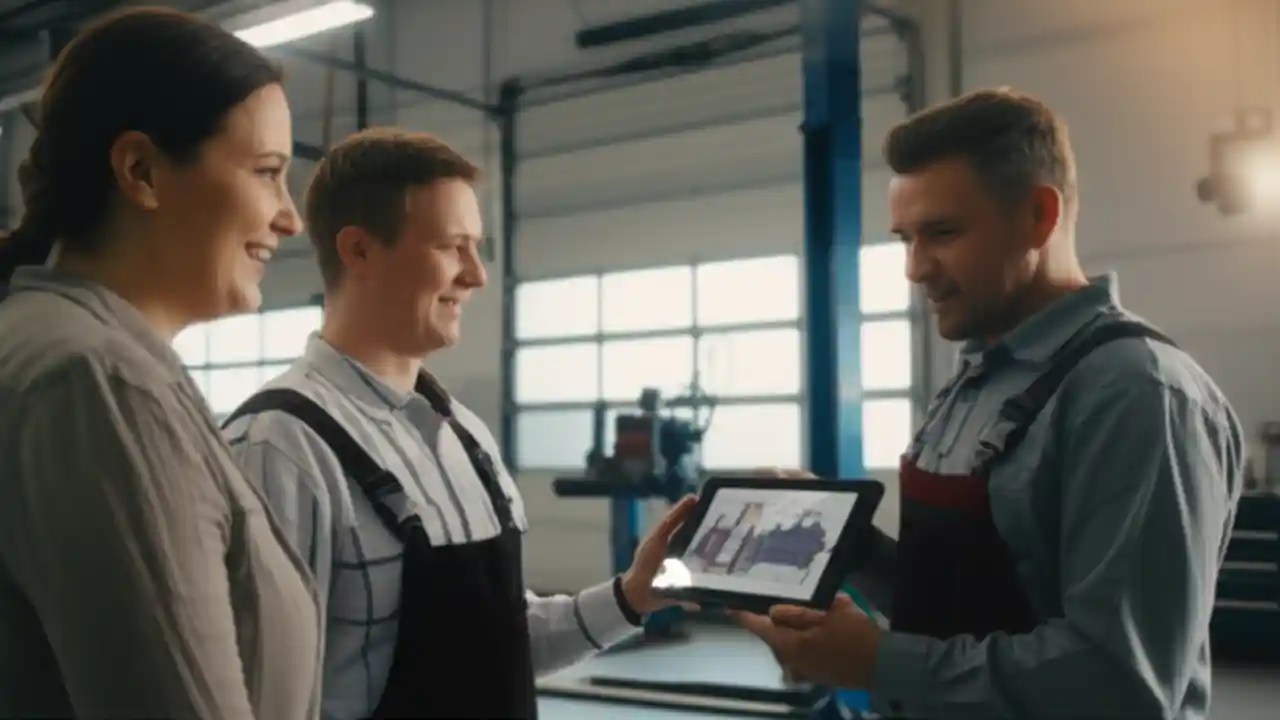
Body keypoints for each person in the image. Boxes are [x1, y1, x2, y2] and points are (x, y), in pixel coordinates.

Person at [736, 88, 1245, 719]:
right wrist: (848, 543)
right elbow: (961, 608)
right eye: (905, 238)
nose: (915, 269)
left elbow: (1122, 683)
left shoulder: (1133, 393)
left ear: (1038, 215)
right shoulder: (976, 378)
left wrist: (877, 662)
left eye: (943, 233)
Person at [222, 128, 696, 720]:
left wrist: (631, 596)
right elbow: (251, 698)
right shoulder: (280, 448)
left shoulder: (465, 437)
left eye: (478, 247)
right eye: (453, 247)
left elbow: (502, 639)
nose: (477, 275)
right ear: (360, 251)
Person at [0, 8, 322, 719]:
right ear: (141, 171)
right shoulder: (101, 384)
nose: (290, 218)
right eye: (268, 173)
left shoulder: (54, 346)